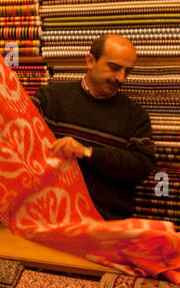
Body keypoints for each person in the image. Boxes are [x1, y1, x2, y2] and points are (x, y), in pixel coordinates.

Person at [32, 34, 155, 220]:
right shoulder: (50, 99)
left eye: (127, 71)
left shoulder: (135, 116)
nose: (121, 78)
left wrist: (88, 152)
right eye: (114, 68)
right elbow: (17, 135)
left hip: (105, 223)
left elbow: (141, 167)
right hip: (46, 217)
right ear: (90, 61)